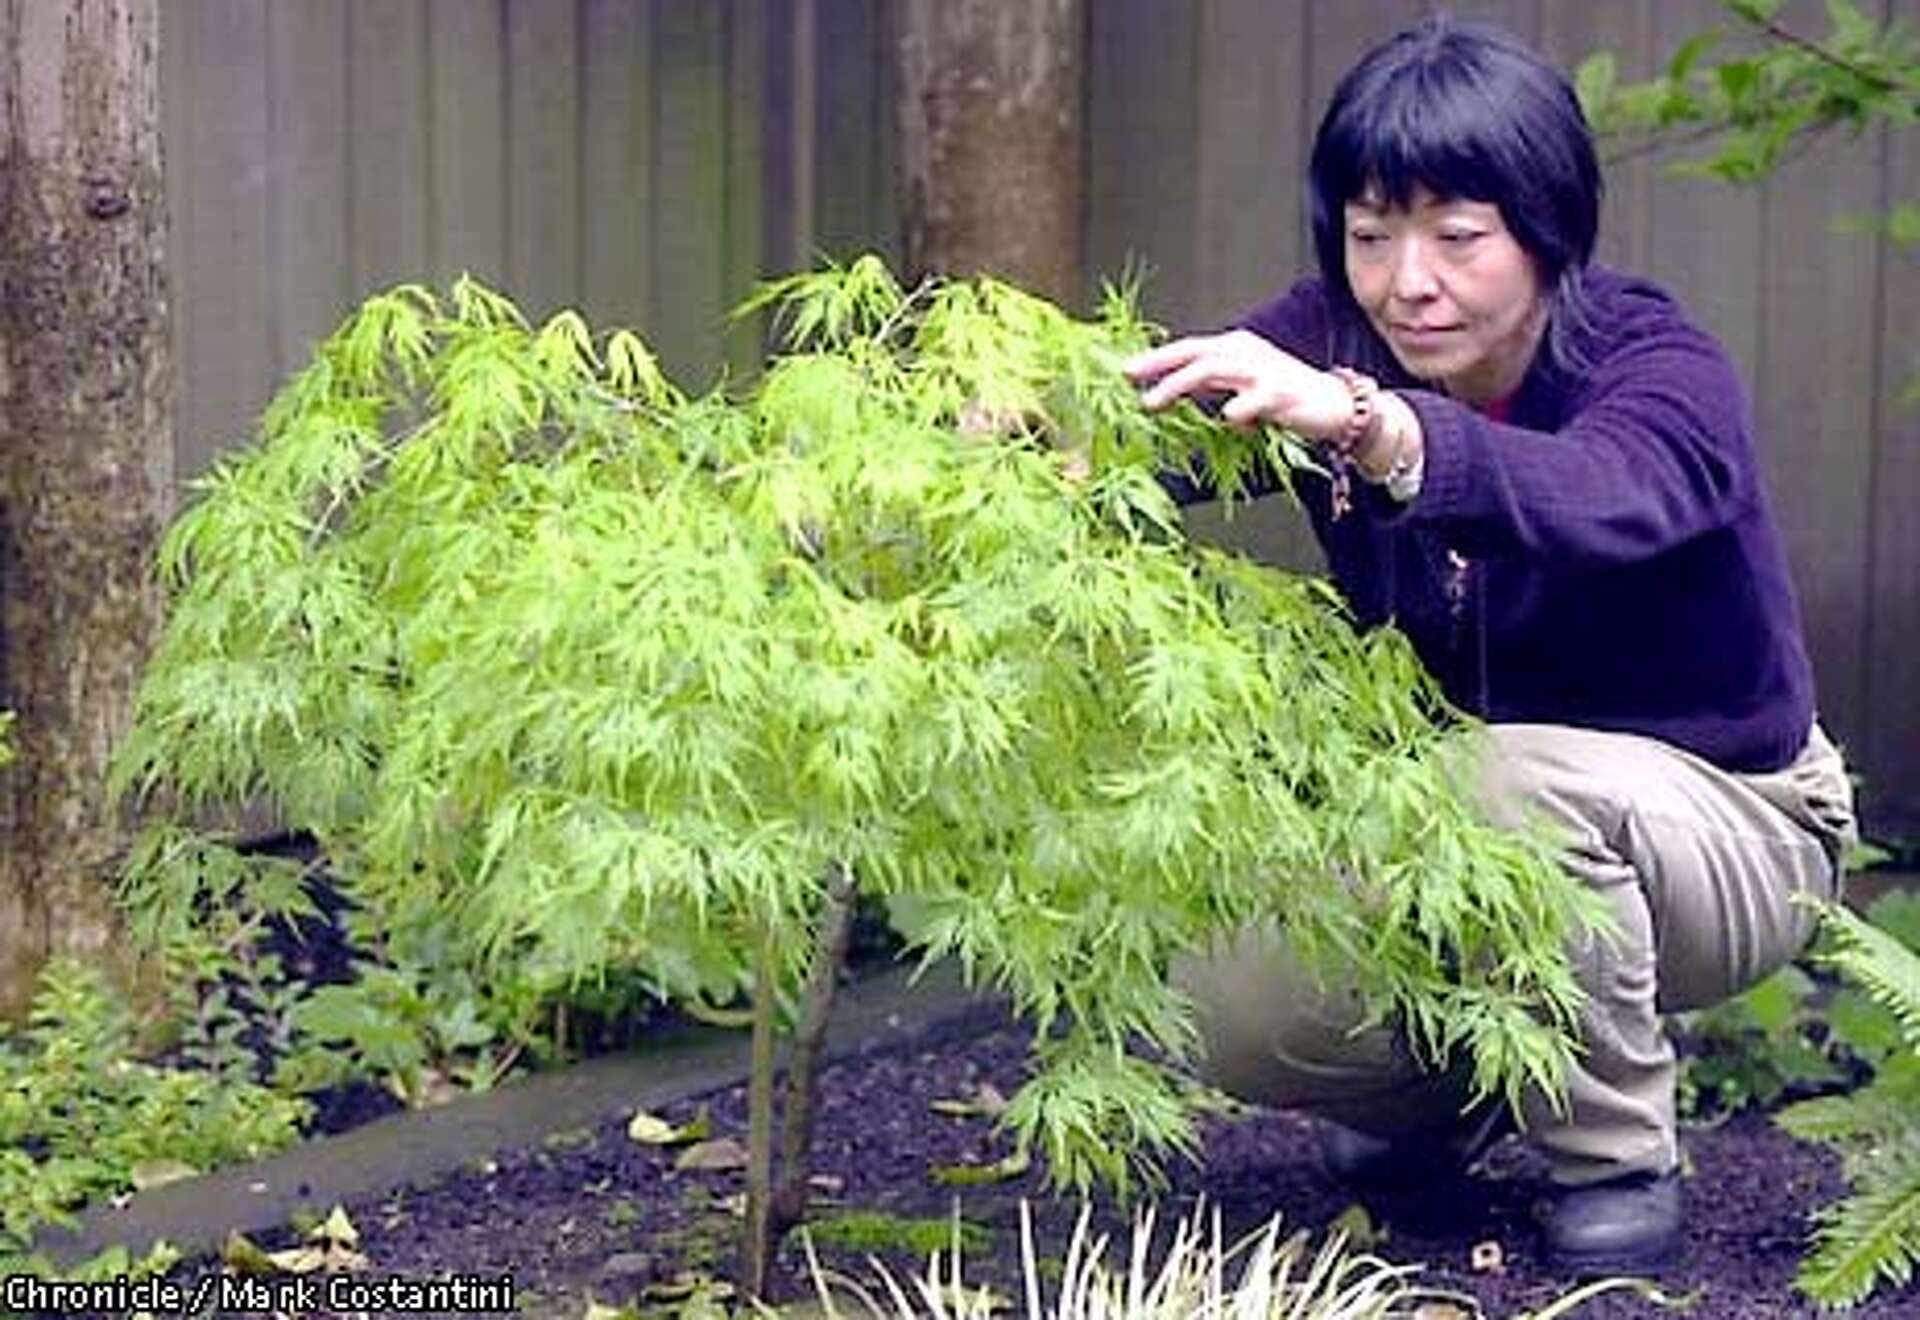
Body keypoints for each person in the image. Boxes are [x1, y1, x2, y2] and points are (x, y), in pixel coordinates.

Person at [1122, 16, 1859, 1275]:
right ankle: (1441, 1094)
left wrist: (1375, 431)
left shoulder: (1657, 364)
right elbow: (1161, 429)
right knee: (1225, 984)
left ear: (1547, 229)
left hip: (1738, 827)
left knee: (1506, 782)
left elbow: (1602, 494)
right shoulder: (1331, 339)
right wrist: (1029, 424)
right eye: (1369, 237)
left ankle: (1615, 1155)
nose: (1408, 282)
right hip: (1450, 831)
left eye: (1457, 238)